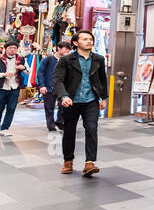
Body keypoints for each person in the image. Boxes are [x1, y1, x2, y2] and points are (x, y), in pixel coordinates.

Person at [53, 29, 108, 176]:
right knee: (69, 131)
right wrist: (63, 96)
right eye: (85, 39)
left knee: (91, 128)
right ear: (76, 43)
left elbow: (102, 79)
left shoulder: (99, 59)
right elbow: (57, 80)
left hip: (91, 100)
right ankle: (68, 161)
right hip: (71, 100)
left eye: (90, 39)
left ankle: (89, 163)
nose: (89, 41)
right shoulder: (66, 60)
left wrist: (104, 97)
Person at [0, 41, 27, 136]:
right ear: (5, 49)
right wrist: (3, 74)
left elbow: (28, 72)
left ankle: (5, 128)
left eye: (14, 48)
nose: (12, 50)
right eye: (10, 48)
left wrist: (23, 68)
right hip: (0, 87)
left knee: (11, 108)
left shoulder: (21, 59)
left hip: (15, 87)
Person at [38, 42, 70, 132]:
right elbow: (40, 73)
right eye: (65, 48)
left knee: (63, 106)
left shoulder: (68, 60)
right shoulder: (48, 59)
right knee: (49, 108)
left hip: (63, 88)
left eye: (68, 49)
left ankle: (60, 122)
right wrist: (42, 85)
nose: (67, 51)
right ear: (59, 48)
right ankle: (51, 125)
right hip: (49, 86)